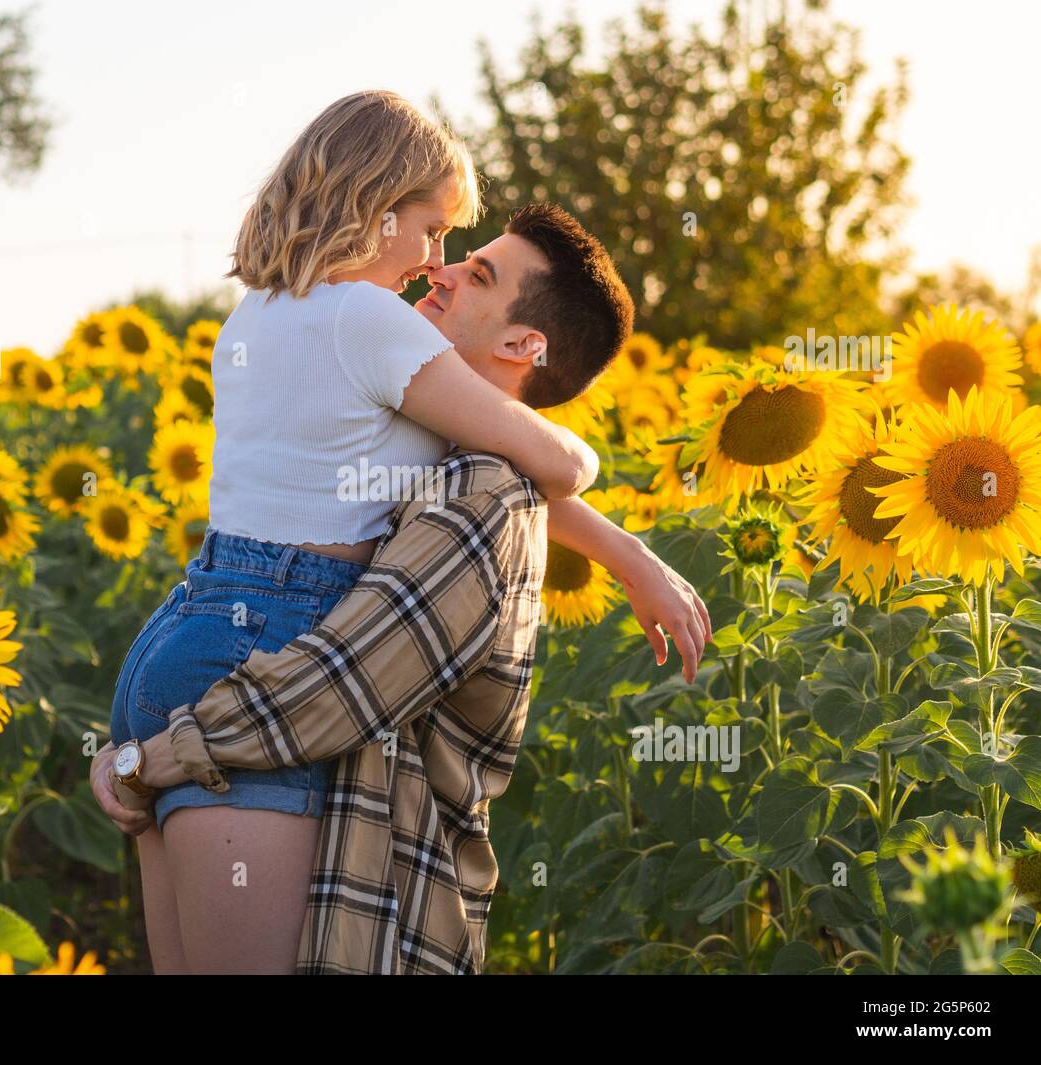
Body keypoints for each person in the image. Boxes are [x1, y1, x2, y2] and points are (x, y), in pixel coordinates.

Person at [98, 196, 712, 973]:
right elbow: (519, 461)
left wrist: (151, 756)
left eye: (478, 272)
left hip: (371, 871)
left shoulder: (479, 500)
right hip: (259, 763)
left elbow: (338, 684)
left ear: (525, 341)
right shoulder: (440, 444)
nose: (441, 268)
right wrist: (632, 554)